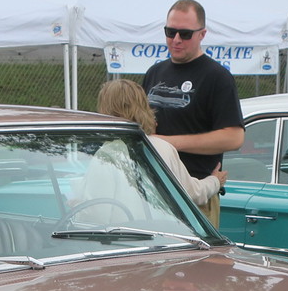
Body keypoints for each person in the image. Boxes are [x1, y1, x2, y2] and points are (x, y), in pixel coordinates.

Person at [141, 0, 244, 224]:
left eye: (185, 34)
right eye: (170, 32)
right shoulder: (154, 73)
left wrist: (167, 143)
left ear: (202, 34)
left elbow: (234, 137)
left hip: (197, 197)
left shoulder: (217, 77)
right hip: (154, 192)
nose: (176, 39)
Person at [96, 78, 226, 209]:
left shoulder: (104, 153)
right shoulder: (161, 148)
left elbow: (94, 206)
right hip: (159, 220)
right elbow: (192, 193)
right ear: (143, 106)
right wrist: (215, 181)